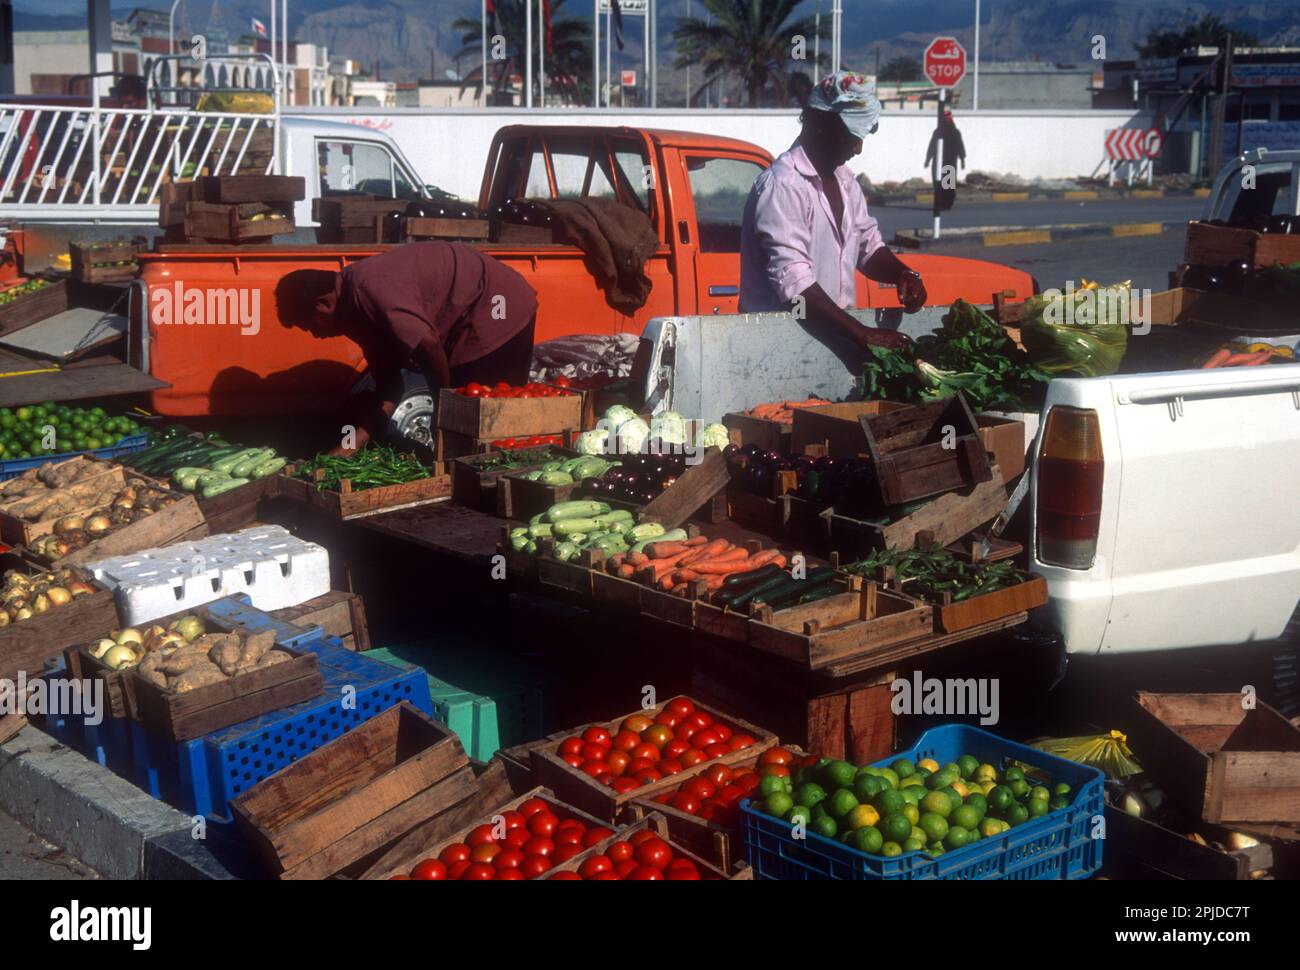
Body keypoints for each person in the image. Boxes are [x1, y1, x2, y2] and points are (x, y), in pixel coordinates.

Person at [276, 242, 538, 454]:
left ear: (323, 305)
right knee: (466, 426)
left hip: (498, 307)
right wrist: (347, 448)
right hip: (472, 312)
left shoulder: (370, 289)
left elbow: (429, 344)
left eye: (308, 325)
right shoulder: (355, 316)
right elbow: (391, 390)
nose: (314, 334)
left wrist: (443, 404)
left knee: (485, 422)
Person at [740, 71, 926, 355]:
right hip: (778, 347)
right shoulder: (784, 185)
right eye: (851, 135)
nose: (858, 147)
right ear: (818, 124)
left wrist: (903, 273)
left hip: (833, 339)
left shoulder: (845, 180)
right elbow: (793, 280)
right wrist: (861, 333)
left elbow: (867, 247)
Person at [925, 110, 967, 213]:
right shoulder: (939, 132)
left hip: (947, 162)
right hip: (943, 162)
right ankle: (943, 203)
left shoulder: (952, 132)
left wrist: (962, 159)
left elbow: (959, 146)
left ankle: (946, 203)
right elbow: (932, 146)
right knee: (941, 184)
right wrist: (928, 159)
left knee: (946, 184)